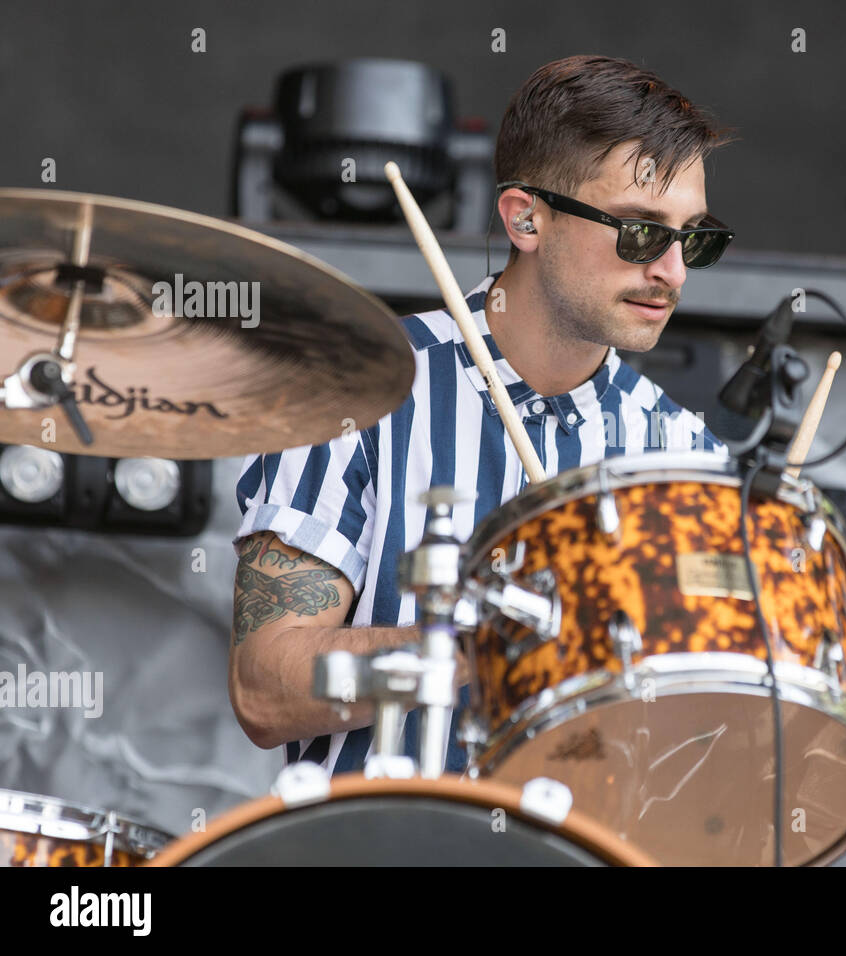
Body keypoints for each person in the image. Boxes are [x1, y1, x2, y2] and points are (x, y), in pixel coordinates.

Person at [228, 54, 736, 775]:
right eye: (641, 233)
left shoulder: (689, 457)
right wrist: (494, 641)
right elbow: (264, 688)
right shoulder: (358, 391)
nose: (672, 272)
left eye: (694, 239)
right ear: (526, 218)